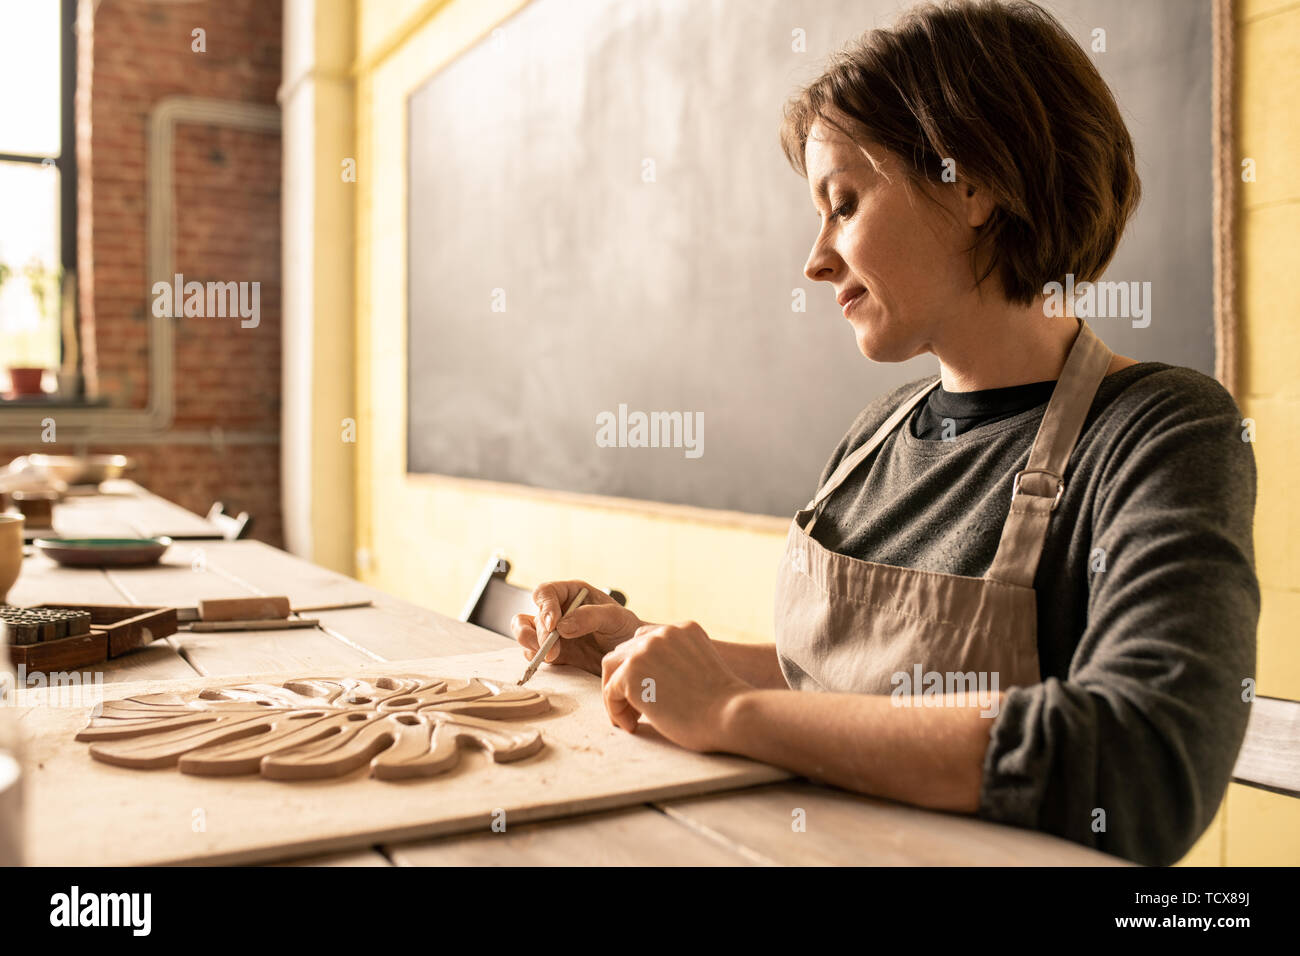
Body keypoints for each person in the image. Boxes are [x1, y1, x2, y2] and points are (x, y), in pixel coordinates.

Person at [511, 0, 1258, 866]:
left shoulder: (1161, 432)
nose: (815, 259)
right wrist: (654, 655)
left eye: (844, 203)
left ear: (973, 182)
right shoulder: (878, 432)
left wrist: (728, 711)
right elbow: (848, 692)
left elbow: (1141, 766)